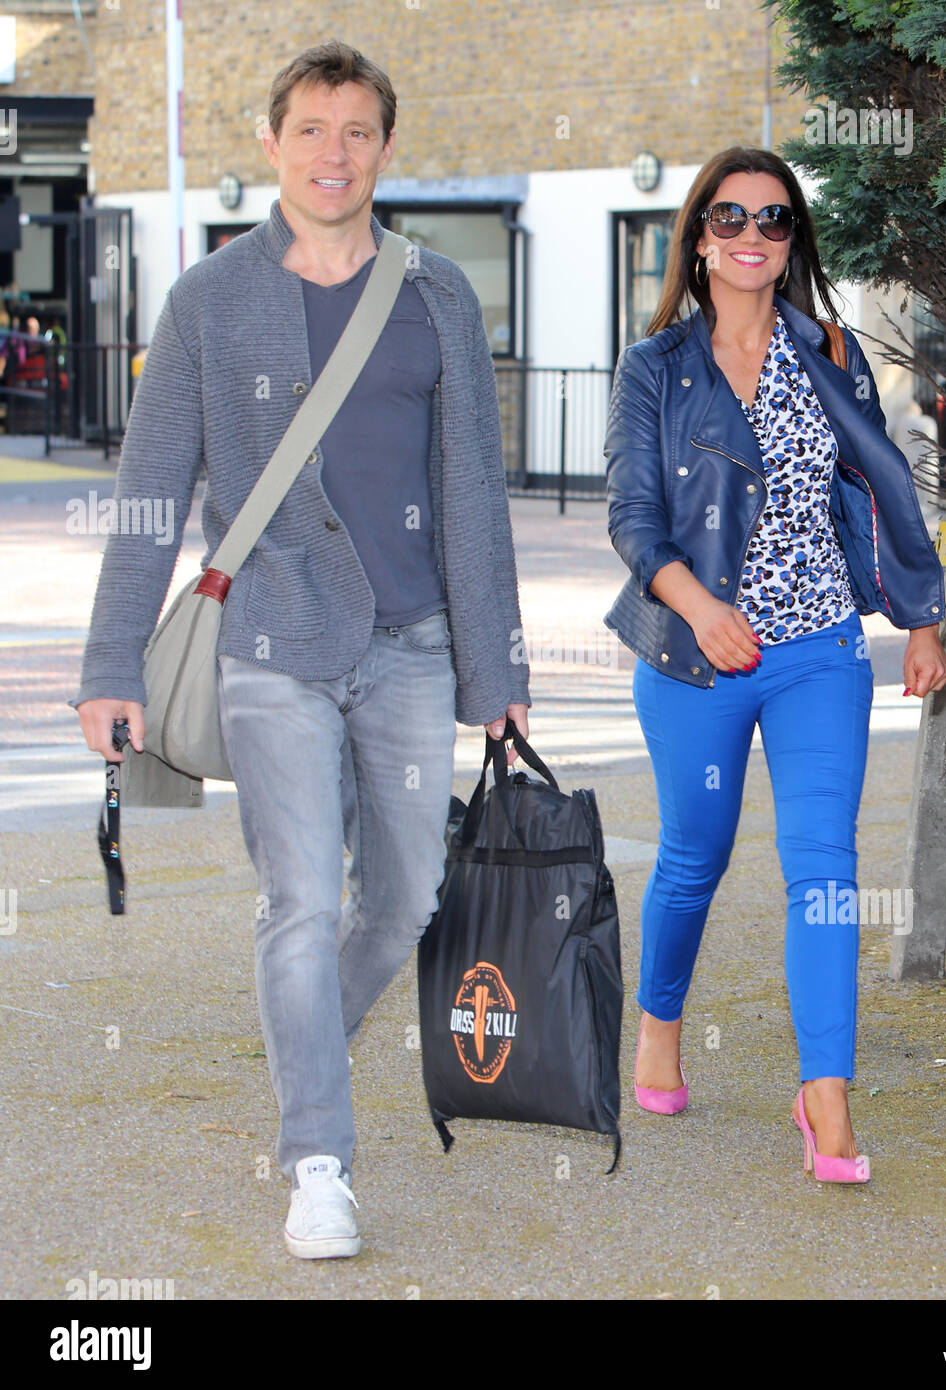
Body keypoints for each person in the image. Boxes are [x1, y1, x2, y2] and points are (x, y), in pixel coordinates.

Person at [74, 40, 530, 1256]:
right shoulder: (209, 302)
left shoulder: (436, 294)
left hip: (415, 643)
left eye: (359, 131)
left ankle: (301, 1049)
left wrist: (499, 676)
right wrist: (111, 663)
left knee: (407, 899)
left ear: (387, 146)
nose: (336, 154)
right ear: (271, 144)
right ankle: (318, 1158)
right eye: (312, 130)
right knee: (295, 901)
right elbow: (151, 487)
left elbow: (474, 497)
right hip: (272, 640)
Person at [603, 147, 946, 1182]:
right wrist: (701, 606)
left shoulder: (831, 353)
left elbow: (884, 481)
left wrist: (919, 617)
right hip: (693, 654)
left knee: (825, 874)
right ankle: (659, 1023)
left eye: (773, 221)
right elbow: (633, 517)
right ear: (698, 238)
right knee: (693, 858)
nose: (751, 237)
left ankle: (826, 1094)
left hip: (817, 654)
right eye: (729, 219)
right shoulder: (653, 368)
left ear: (792, 241)